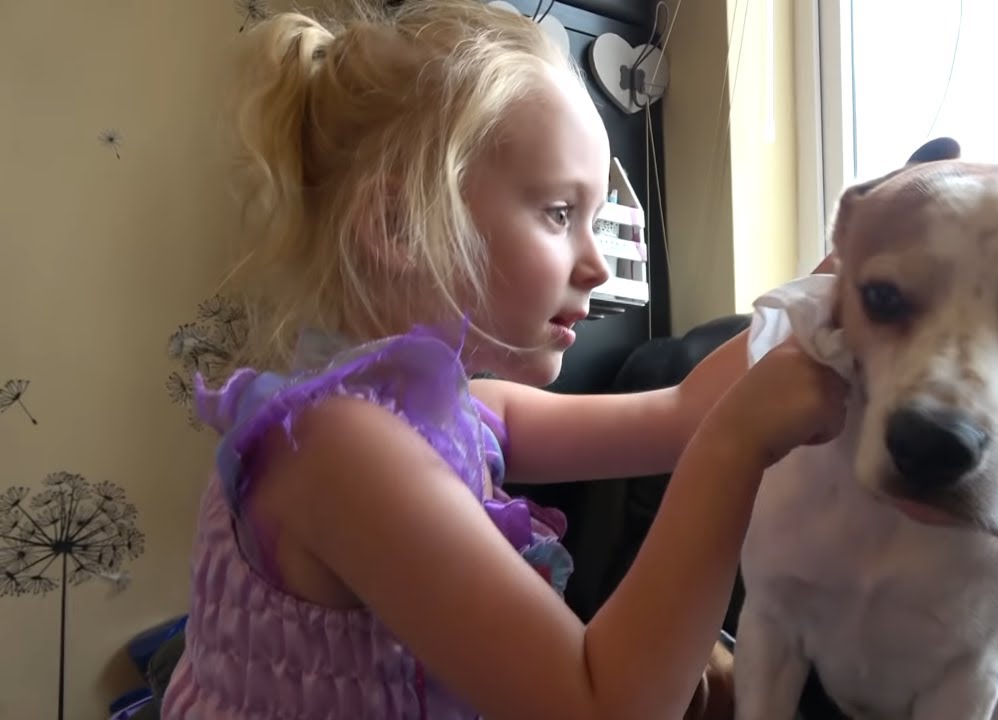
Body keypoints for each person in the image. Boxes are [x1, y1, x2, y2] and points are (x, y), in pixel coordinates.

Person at [160, 2, 846, 719]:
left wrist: (827, 296)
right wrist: (737, 449)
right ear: (398, 227)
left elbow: (683, 413)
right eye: (559, 213)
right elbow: (604, 707)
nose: (597, 267)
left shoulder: (466, 411)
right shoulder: (337, 448)